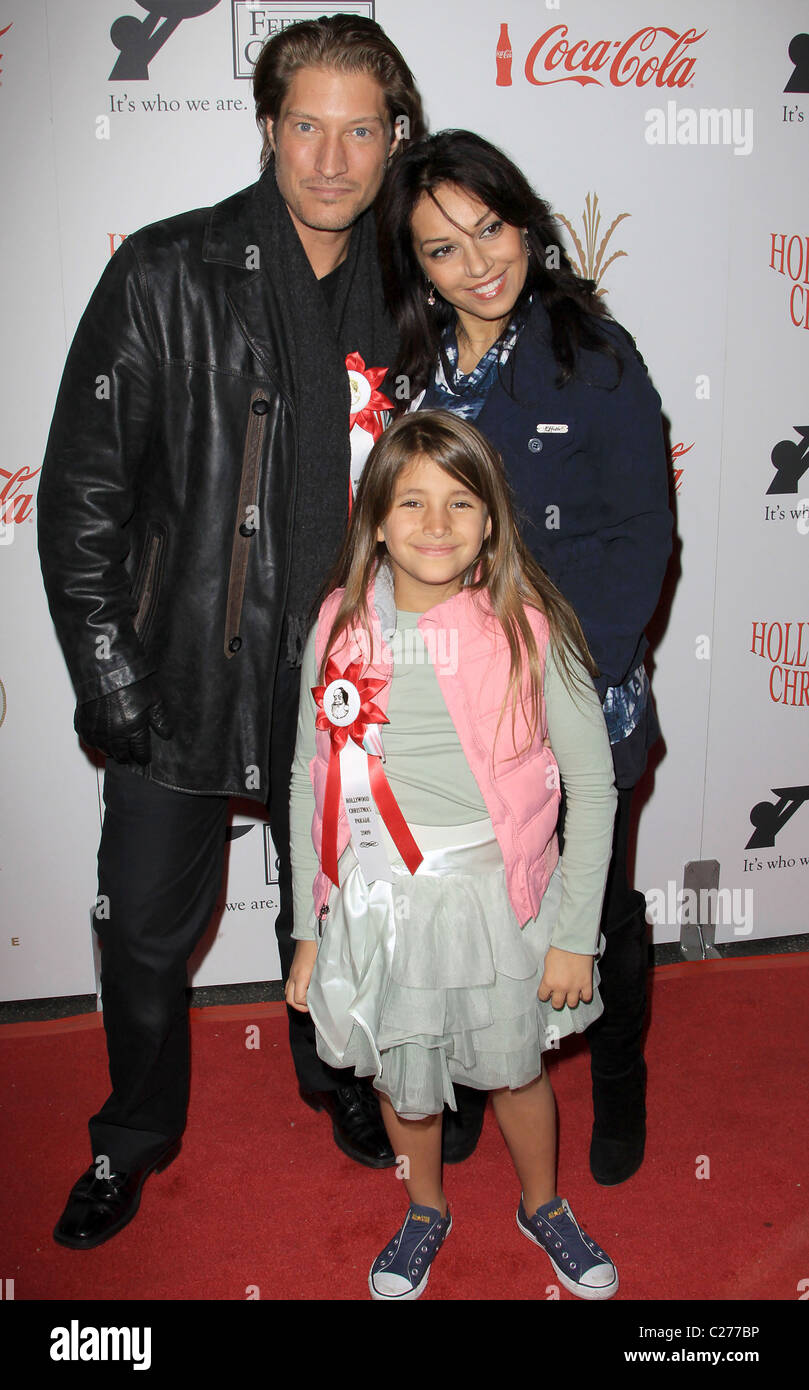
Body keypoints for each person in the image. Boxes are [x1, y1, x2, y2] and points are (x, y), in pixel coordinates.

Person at [36, 15, 426, 1251]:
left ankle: (342, 1082)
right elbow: (84, 491)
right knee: (146, 928)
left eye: (359, 128)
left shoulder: (414, 286)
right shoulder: (167, 271)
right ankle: (131, 1138)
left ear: (392, 138)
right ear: (267, 128)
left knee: (347, 910)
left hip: (348, 676)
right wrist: (109, 670)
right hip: (181, 669)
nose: (329, 157)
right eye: (304, 123)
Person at [376, 130, 673, 1186]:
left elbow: (642, 537)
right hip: (434, 707)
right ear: (416, 266)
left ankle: (621, 1077)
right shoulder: (406, 369)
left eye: (488, 228)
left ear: (522, 220)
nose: (476, 261)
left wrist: (552, 679)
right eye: (441, 247)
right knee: (457, 900)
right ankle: (459, 1076)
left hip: (569, 691)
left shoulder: (591, 355)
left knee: (589, 907)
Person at [286, 411, 619, 1300]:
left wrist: (573, 936)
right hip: (378, 901)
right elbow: (307, 776)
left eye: (460, 503)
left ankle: (542, 1203)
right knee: (408, 1077)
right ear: (377, 521)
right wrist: (309, 931)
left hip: (492, 898)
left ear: (490, 520)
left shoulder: (529, 625)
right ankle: (423, 1209)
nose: (436, 525)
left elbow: (594, 787)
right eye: (413, 503)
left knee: (515, 1069)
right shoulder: (338, 625)